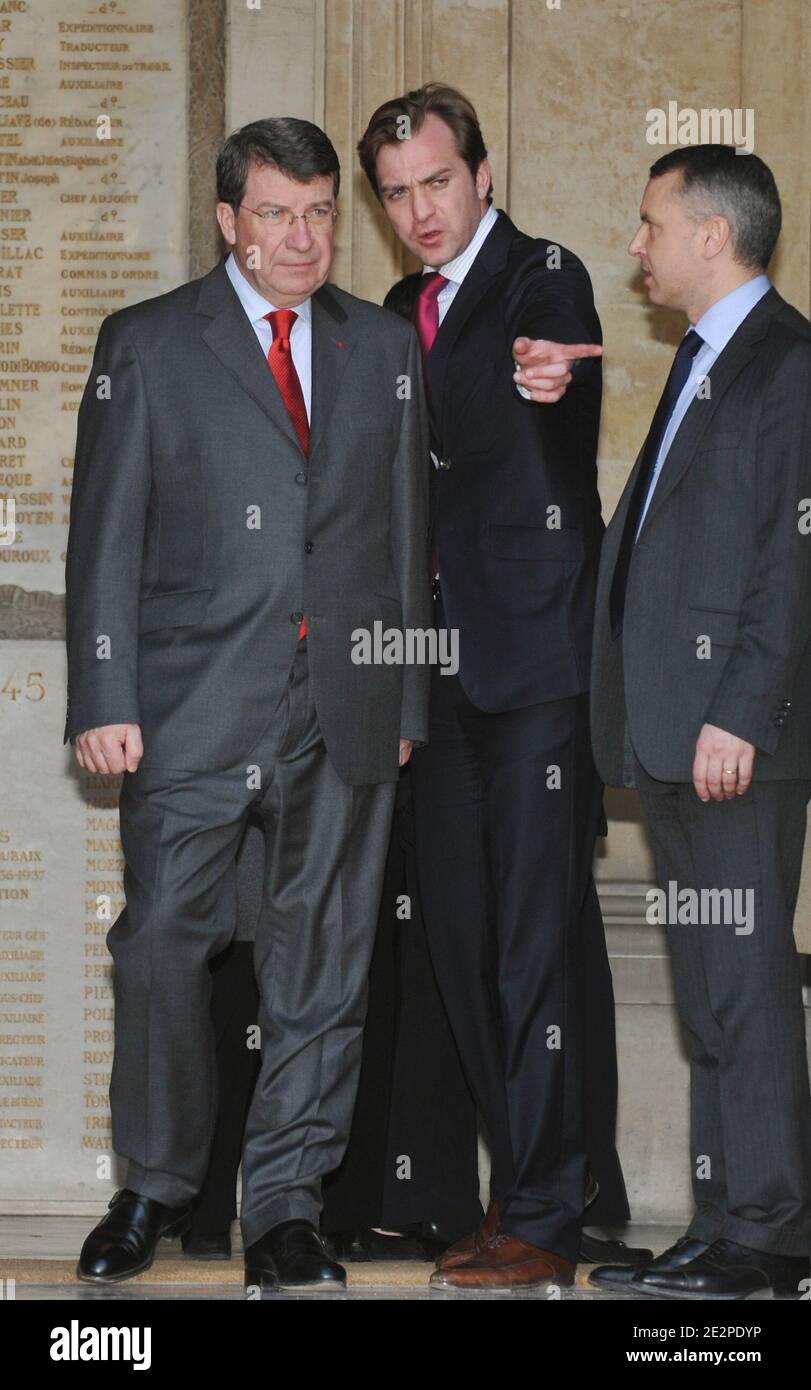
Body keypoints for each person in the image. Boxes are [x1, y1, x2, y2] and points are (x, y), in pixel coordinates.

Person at [64, 115, 431, 1293]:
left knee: (323, 960)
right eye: (275, 213)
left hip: (344, 704)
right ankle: (155, 1184)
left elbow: (405, 540)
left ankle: (285, 1206)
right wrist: (104, 694)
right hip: (187, 708)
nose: (301, 236)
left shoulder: (382, 348)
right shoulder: (150, 343)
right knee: (162, 944)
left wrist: (407, 683)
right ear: (228, 220)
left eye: (321, 211)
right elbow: (103, 540)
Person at [357, 82, 647, 1290]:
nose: (420, 210)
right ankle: (519, 1191)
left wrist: (550, 375)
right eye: (396, 194)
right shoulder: (394, 308)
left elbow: (556, 360)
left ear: (481, 171)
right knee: (465, 944)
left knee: (532, 946)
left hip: (533, 670)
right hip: (439, 679)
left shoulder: (545, 274)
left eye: (436, 181)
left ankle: (544, 1211)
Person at [589, 144, 811, 1300]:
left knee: (746, 986)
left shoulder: (789, 365)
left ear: (711, 236)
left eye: (648, 224)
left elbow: (791, 565)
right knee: (710, 989)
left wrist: (741, 716)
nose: (636, 245)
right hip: (675, 737)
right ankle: (727, 1224)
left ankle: (768, 1235)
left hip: (732, 744)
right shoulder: (702, 359)